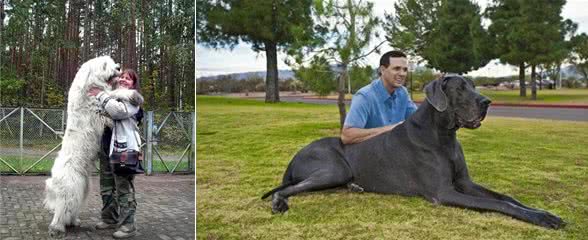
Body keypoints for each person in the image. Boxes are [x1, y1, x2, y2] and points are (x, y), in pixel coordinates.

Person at [88, 69, 144, 239]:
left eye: (128, 79)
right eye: (122, 77)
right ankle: (109, 218)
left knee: (123, 188)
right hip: (106, 147)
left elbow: (117, 112)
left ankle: (128, 226)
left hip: (124, 149)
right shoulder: (110, 97)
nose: (124, 80)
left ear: (133, 84)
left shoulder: (133, 99)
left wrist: (101, 95)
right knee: (106, 187)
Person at [341, 50, 417, 144]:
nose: (402, 74)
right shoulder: (364, 96)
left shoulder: (403, 93)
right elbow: (347, 136)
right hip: (369, 154)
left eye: (405, 69)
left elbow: (418, 120)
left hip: (395, 152)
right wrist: (392, 129)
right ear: (382, 70)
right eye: (396, 68)